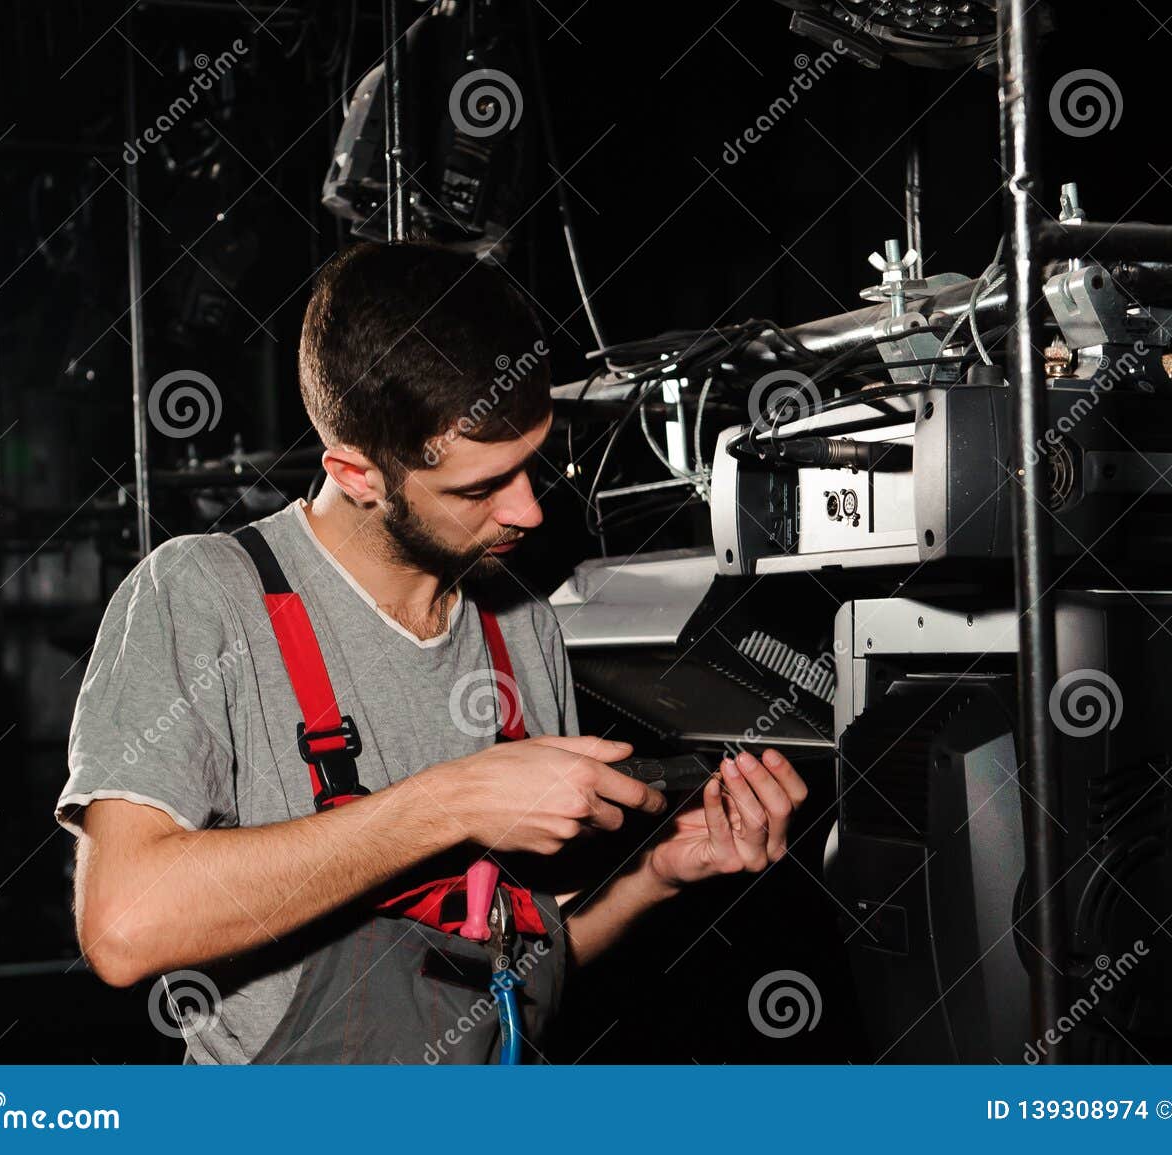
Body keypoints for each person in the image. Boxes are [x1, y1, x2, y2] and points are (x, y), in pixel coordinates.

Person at [56, 241, 808, 1063]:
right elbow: (125, 925)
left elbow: (520, 968)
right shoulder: (204, 598)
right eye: (480, 488)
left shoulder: (519, 624)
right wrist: (451, 802)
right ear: (357, 473)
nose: (527, 511)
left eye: (533, 465)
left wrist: (654, 877)